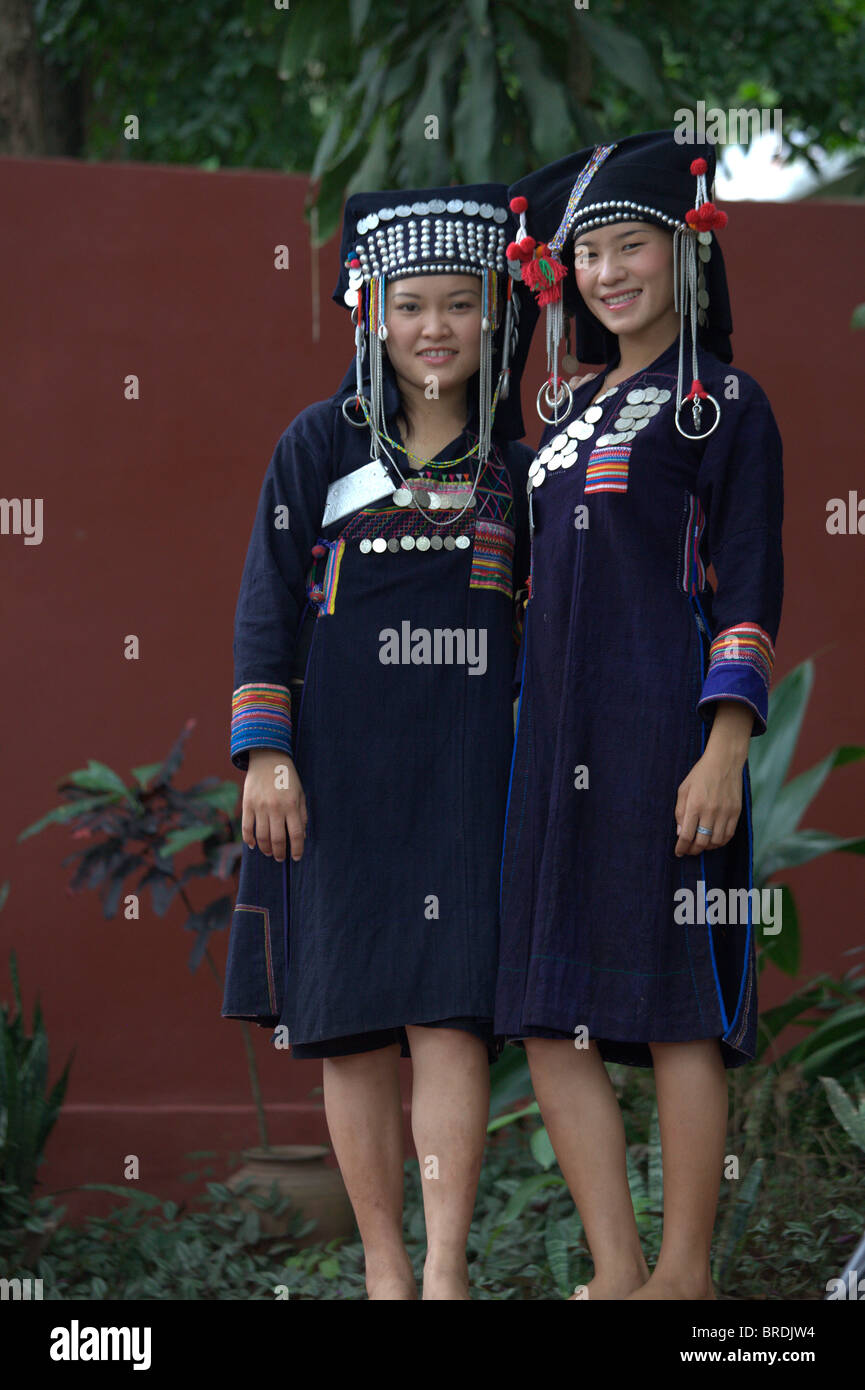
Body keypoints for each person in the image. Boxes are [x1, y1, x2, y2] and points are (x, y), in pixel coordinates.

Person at [221, 184, 538, 1300]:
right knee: (350, 1021)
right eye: (412, 306)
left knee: (449, 1017)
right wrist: (267, 752)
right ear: (372, 315)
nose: (435, 328)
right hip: (336, 774)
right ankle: (385, 1273)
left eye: (460, 304)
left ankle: (446, 1272)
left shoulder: (518, 467)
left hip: (466, 773)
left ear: (494, 313)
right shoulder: (319, 444)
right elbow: (265, 605)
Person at [497, 131, 784, 1300]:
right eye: (590, 254)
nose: (610, 273)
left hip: (665, 736)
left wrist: (723, 746)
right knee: (546, 1013)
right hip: (549, 746)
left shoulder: (722, 403)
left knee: (675, 1015)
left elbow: (753, 585)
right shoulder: (557, 418)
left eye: (633, 248)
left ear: (685, 253)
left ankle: (683, 1275)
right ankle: (614, 1273)